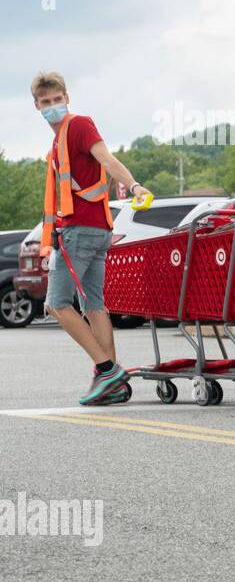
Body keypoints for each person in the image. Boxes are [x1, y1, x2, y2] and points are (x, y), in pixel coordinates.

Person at [32, 71, 150, 405]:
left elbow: (107, 158)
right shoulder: (57, 143)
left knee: (55, 304)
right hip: (97, 230)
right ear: (36, 106)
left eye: (57, 100)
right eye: (46, 102)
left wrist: (136, 185)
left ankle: (107, 369)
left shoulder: (80, 125)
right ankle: (109, 380)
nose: (53, 106)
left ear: (67, 97)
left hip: (80, 232)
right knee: (94, 305)